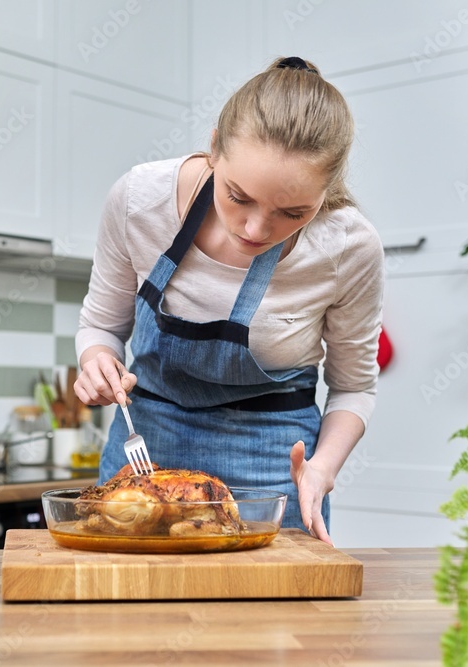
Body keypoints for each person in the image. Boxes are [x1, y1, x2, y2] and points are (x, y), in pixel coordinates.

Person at [73, 56, 384, 544]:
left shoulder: (348, 247)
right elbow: (101, 328)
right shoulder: (139, 200)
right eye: (238, 196)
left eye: (292, 212)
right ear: (215, 146)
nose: (257, 229)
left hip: (273, 468)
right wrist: (96, 361)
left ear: (326, 193)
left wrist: (322, 468)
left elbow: (354, 388)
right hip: (145, 457)